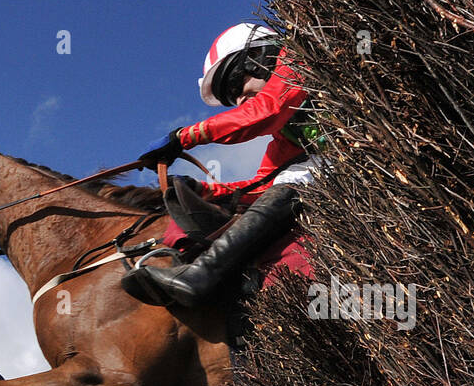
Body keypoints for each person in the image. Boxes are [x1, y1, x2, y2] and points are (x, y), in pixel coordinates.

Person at [123, 23, 324, 309]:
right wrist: (205, 191)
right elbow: (263, 187)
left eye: (234, 84)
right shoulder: (286, 137)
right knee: (285, 184)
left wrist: (183, 137)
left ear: (262, 56)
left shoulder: (300, 58)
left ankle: (203, 274)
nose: (238, 100)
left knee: (295, 180)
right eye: (230, 98)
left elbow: (268, 110)